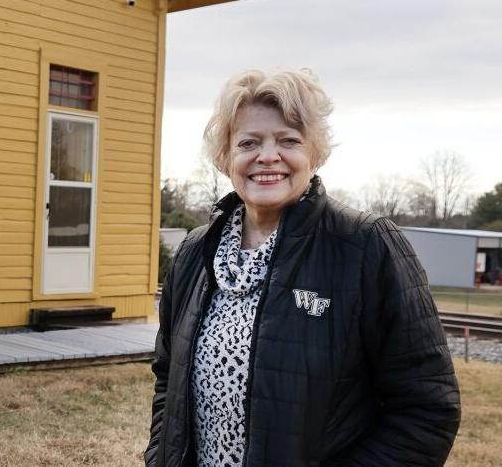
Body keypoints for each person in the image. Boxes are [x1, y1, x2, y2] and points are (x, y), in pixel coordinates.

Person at [146, 69, 460, 467]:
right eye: (249, 142)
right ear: (226, 158)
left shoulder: (367, 245)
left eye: (288, 140)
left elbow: (427, 409)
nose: (268, 156)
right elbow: (166, 379)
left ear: (315, 152)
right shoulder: (194, 251)